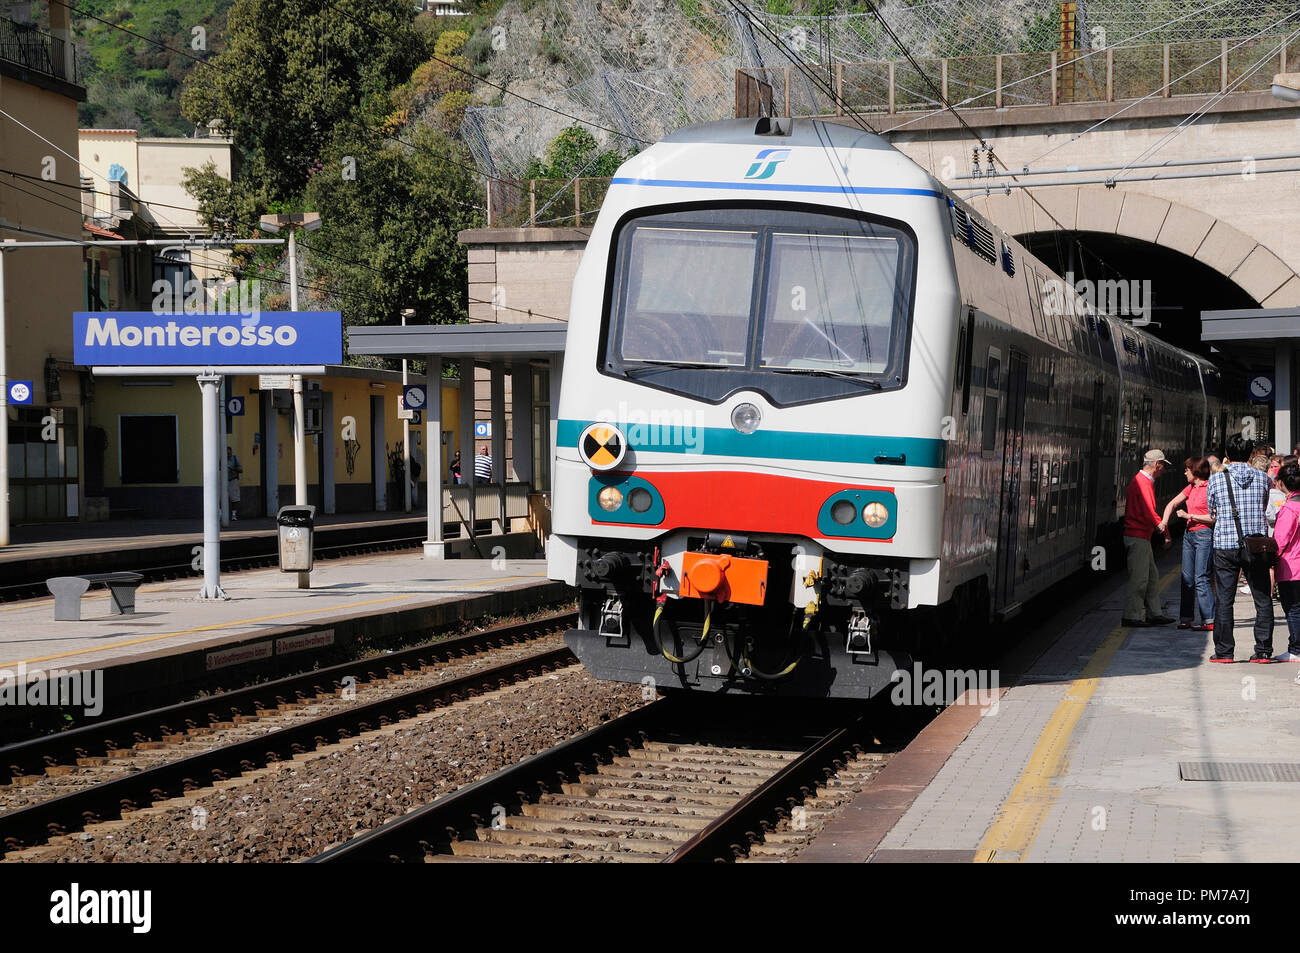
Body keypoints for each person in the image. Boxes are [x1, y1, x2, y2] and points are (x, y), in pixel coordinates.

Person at [1206, 438, 1275, 663]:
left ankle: (1225, 652)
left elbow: (1212, 511)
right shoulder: (1263, 478)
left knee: (1224, 600)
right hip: (1255, 545)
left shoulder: (1216, 479)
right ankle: (1263, 651)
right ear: (1250, 454)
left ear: (1227, 453)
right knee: (1262, 597)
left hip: (1225, 545)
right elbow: (1264, 505)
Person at [1160, 457, 1214, 631]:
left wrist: (1189, 516)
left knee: (1201, 578)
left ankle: (1209, 620)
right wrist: (1164, 522)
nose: (1184, 473)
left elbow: (1214, 518)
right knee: (1187, 579)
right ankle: (1186, 618)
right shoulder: (1191, 487)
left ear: (1195, 471)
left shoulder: (1210, 488)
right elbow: (1172, 503)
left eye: (1187, 470)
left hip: (1204, 534)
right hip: (1189, 535)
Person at [1122, 449, 1174, 627]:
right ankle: (1132, 615)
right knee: (1140, 578)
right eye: (1163, 466)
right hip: (1138, 536)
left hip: (1141, 536)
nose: (1163, 470)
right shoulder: (1143, 482)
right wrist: (1163, 531)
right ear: (1156, 464)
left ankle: (1154, 613)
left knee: (1151, 577)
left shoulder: (1144, 481)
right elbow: (1148, 511)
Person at [1273, 462, 1300, 663]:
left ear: (1281, 483)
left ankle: (1296, 649)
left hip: (1292, 567)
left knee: (1293, 608)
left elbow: (1280, 540)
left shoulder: (1289, 508)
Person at [225, 446, 242, 521]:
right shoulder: (221, 459)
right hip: (223, 481)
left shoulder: (235, 459)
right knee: (220, 497)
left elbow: (241, 470)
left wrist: (231, 469)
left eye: (229, 453)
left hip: (233, 480)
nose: (228, 455)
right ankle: (220, 514)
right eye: (227, 453)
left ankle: (234, 515)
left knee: (234, 499)